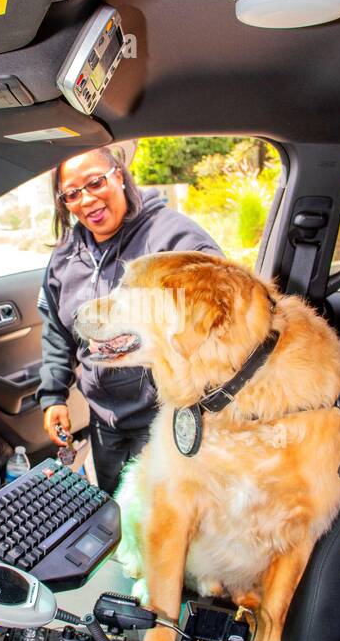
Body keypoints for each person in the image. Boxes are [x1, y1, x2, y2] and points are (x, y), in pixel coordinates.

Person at [37, 147, 222, 495]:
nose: (87, 199)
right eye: (73, 194)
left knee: (159, 520)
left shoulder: (171, 237)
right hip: (104, 422)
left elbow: (217, 308)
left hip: (164, 418)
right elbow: (57, 331)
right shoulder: (65, 255)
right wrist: (54, 397)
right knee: (115, 512)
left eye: (95, 183)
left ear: (119, 175)